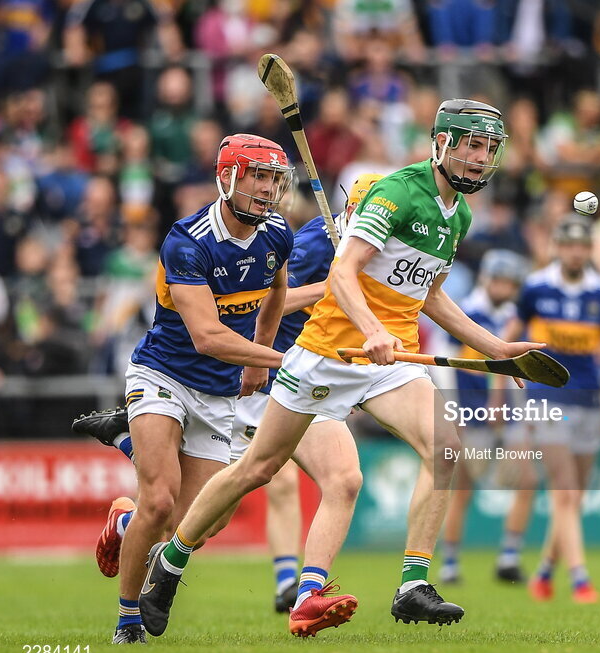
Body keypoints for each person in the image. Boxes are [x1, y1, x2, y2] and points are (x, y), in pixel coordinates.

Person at [137, 99, 544, 638]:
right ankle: (171, 560)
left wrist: (494, 347)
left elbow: (432, 296)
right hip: (328, 352)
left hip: (390, 360)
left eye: (489, 148)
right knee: (257, 469)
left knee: (444, 447)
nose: (479, 157)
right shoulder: (398, 192)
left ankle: (412, 585)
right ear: (441, 144)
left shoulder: (459, 215)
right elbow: (343, 274)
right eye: (470, 144)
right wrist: (370, 329)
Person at [74, 174, 386, 615]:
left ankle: (303, 595)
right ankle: (287, 588)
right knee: (189, 503)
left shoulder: (387, 247)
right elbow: (261, 300)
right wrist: (323, 296)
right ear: (354, 214)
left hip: (310, 380)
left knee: (210, 519)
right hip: (267, 380)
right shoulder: (316, 243)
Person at [82, 133, 296, 644]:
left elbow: (276, 293)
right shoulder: (187, 240)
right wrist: (287, 361)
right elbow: (206, 336)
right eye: (256, 177)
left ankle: (122, 518)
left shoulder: (277, 235)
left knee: (201, 524)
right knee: (159, 502)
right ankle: (128, 620)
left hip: (220, 392)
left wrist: (258, 365)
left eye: (273, 179)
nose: (266, 190)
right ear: (227, 178)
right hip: (164, 375)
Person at [506, 214, 600, 604]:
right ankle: (580, 579)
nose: (576, 252)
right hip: (546, 401)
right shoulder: (535, 288)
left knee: (575, 496)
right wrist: (506, 391)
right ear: (558, 248)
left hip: (590, 401)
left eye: (583, 246)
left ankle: (545, 571)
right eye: (569, 245)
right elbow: (507, 340)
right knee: (564, 492)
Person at [439, 249, 536, 585]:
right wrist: (453, 415)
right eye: (499, 281)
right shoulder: (466, 312)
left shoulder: (514, 318)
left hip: (508, 417)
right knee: (463, 488)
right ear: (488, 279)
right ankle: (449, 563)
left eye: (510, 283)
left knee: (527, 482)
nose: (504, 288)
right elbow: (443, 366)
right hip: (471, 414)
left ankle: (509, 558)